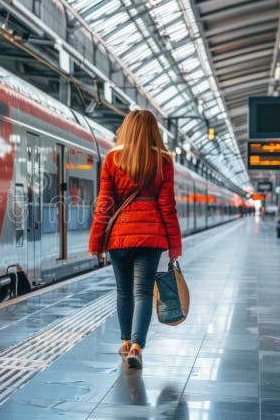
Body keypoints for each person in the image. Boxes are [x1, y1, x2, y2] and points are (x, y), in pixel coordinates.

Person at [88, 110, 182, 369]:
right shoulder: (163, 161)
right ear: (154, 131)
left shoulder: (112, 159)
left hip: (119, 237)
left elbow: (104, 205)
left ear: (126, 129)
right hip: (152, 239)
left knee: (123, 292)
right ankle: (138, 347)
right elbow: (168, 208)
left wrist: (96, 241)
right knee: (143, 293)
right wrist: (174, 246)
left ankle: (126, 342)